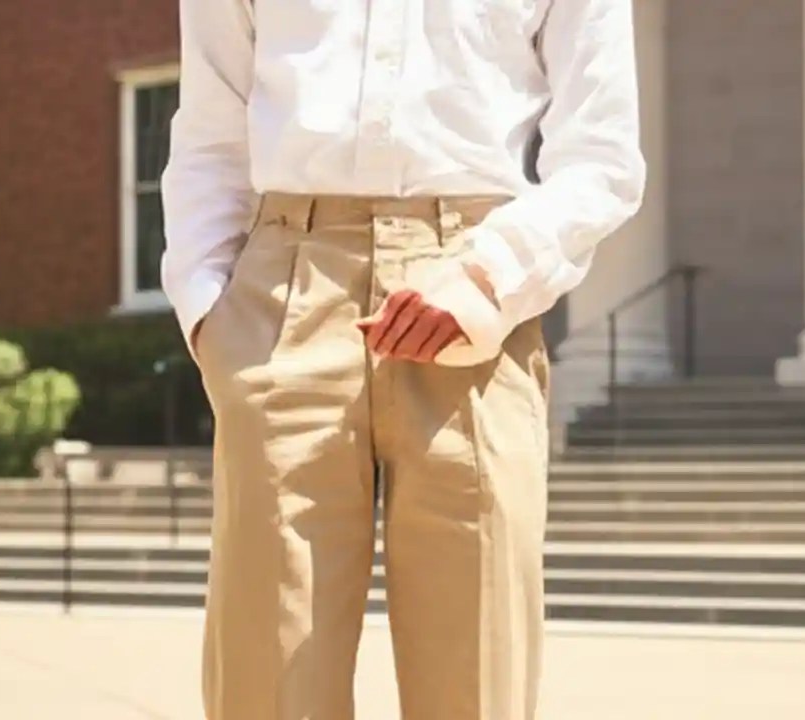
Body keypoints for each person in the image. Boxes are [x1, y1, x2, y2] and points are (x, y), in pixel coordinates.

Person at [161, 1, 645, 718]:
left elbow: (602, 153)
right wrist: (208, 315)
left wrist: (491, 274)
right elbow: (211, 125)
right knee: (268, 679)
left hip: (479, 288)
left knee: (477, 675)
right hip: (282, 291)